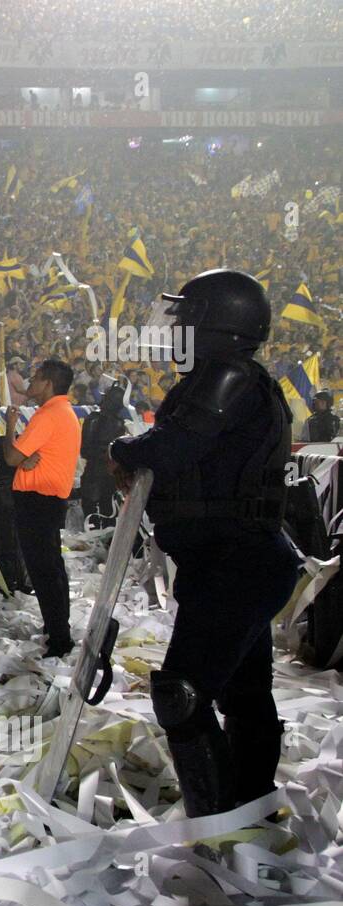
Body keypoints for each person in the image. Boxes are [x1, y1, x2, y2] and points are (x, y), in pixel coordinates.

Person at [108, 269, 300, 819]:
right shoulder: (228, 377)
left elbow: (171, 447)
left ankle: (215, 824)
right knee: (243, 693)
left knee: (181, 695)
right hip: (229, 563)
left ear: (214, 324)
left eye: (187, 319)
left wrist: (124, 449)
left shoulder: (231, 377)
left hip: (236, 565)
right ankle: (251, 805)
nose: (176, 331)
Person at [4, 358, 81, 657]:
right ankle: (57, 627)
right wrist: (27, 456)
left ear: (48, 383)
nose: (30, 383)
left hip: (37, 501)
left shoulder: (48, 415)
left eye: (35, 378)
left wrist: (11, 427)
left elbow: (11, 456)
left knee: (44, 571)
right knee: (52, 568)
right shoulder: (64, 412)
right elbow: (26, 455)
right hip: (50, 500)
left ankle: (60, 639)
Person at [79, 383, 128, 528]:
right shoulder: (95, 419)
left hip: (107, 474)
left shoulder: (118, 423)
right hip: (97, 472)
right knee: (94, 513)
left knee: (108, 513)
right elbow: (86, 450)